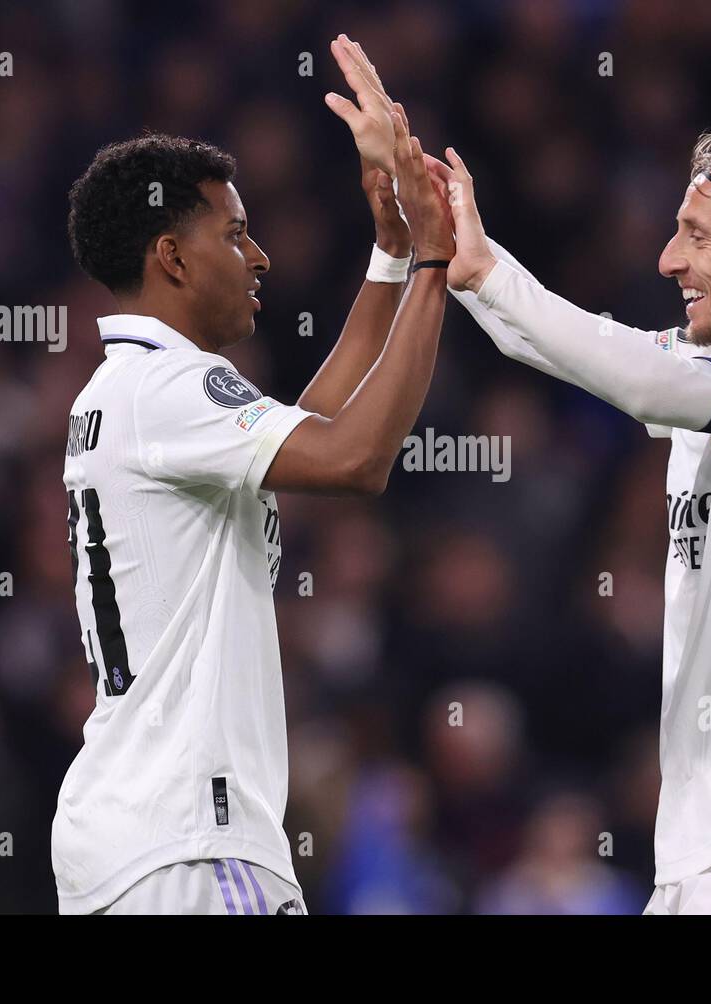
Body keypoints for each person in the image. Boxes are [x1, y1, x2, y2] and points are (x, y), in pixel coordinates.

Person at [337, 35, 711, 914]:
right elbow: (564, 344)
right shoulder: (708, 373)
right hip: (708, 849)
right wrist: (463, 257)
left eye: (698, 238)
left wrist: (480, 267)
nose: (669, 262)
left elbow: (644, 376)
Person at [52, 35, 454, 914]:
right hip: (189, 836)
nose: (259, 256)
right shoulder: (168, 384)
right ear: (173, 257)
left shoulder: (134, 389)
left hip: (134, 834)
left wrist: (390, 256)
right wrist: (434, 264)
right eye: (235, 234)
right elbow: (355, 457)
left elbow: (317, 429)